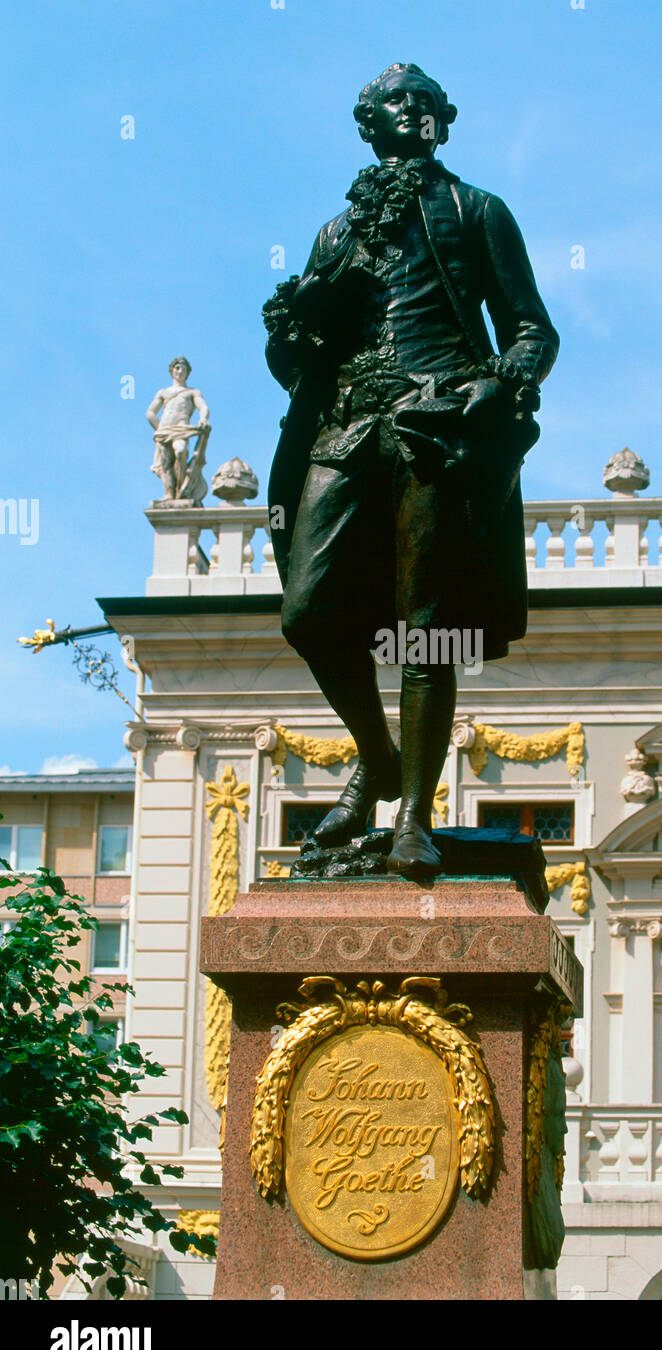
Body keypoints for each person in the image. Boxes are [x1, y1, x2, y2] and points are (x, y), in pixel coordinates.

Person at [264, 63, 558, 877]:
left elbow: (532, 330)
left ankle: (414, 819)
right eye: (398, 101)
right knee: (307, 614)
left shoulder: (477, 209)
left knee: (425, 630)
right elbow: (302, 363)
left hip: (435, 426)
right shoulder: (336, 233)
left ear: (442, 120)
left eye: (427, 102)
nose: (414, 110)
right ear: (370, 123)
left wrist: (495, 385)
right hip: (347, 428)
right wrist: (294, 326)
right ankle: (378, 757)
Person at [146, 357, 211, 503]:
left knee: (180, 451)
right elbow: (150, 413)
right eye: (177, 368)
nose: (180, 371)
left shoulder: (192, 392)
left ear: (187, 373)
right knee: (165, 462)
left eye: (183, 369)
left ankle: (182, 487)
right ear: (172, 371)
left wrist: (203, 418)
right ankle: (169, 493)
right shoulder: (163, 392)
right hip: (165, 430)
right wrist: (160, 428)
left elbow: (203, 407)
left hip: (181, 429)